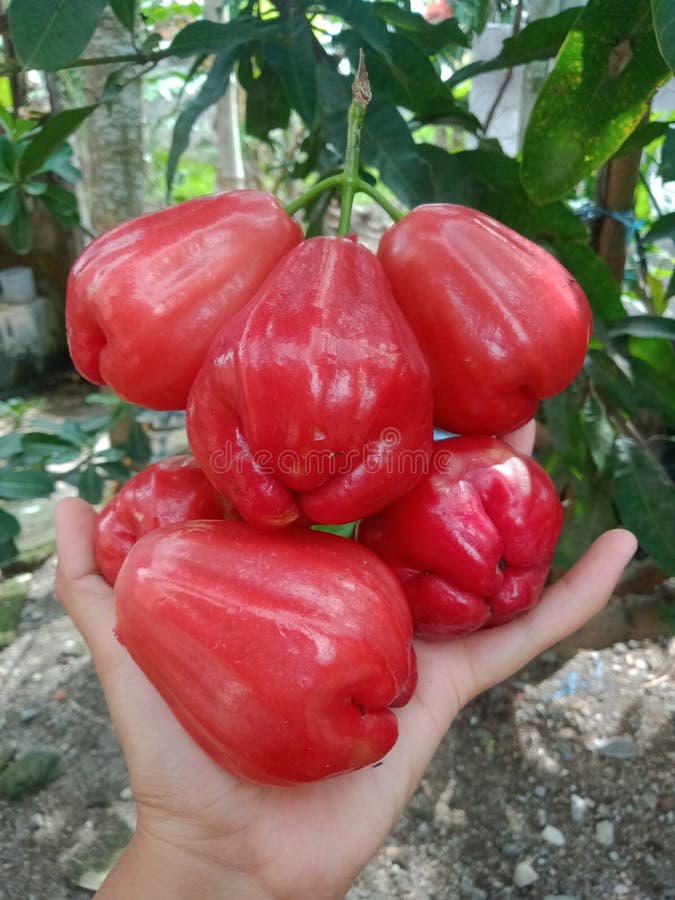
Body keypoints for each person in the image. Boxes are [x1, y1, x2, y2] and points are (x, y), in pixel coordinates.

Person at [55, 422, 637, 900]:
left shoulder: (167, 562)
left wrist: (210, 863)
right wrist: (210, 858)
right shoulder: (170, 569)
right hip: (355, 612)